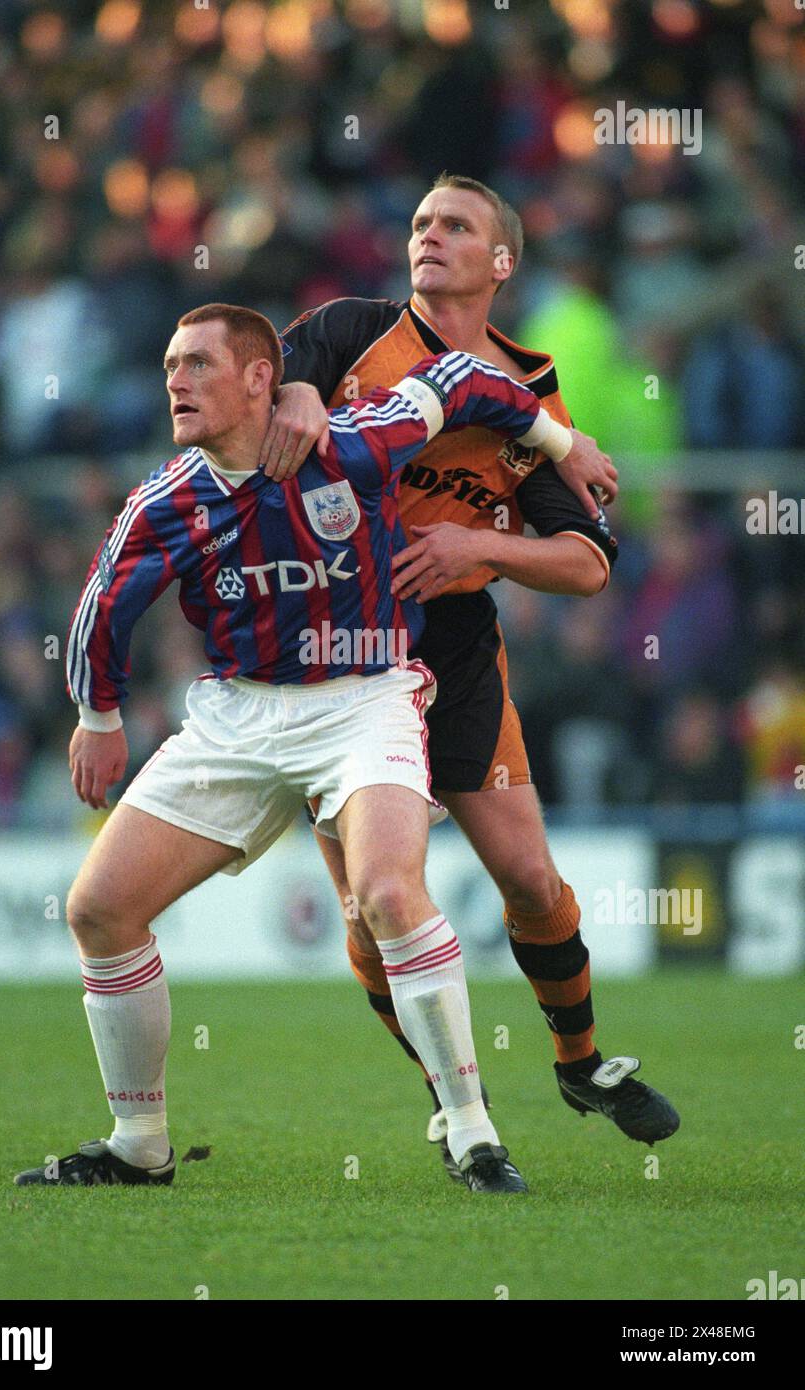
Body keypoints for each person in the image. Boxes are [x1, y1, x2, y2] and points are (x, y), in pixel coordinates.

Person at [14, 301, 609, 1193]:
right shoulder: (167, 499)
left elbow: (467, 380)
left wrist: (564, 447)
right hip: (237, 718)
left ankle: (474, 1134)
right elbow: (102, 605)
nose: (175, 380)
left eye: (197, 365)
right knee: (98, 909)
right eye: (170, 364)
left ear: (262, 379)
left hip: (365, 698)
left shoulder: (353, 443)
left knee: (385, 893)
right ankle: (139, 1145)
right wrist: (98, 717)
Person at [260, 173, 680, 1171]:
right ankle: (456, 1101)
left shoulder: (531, 396)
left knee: (531, 880)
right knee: (372, 903)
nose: (427, 236)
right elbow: (274, 390)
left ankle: (579, 1064)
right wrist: (298, 395)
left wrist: (478, 549)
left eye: (454, 225)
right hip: (334, 653)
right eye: (417, 222)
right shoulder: (346, 331)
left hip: (450, 647)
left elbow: (586, 562)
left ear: (502, 263)